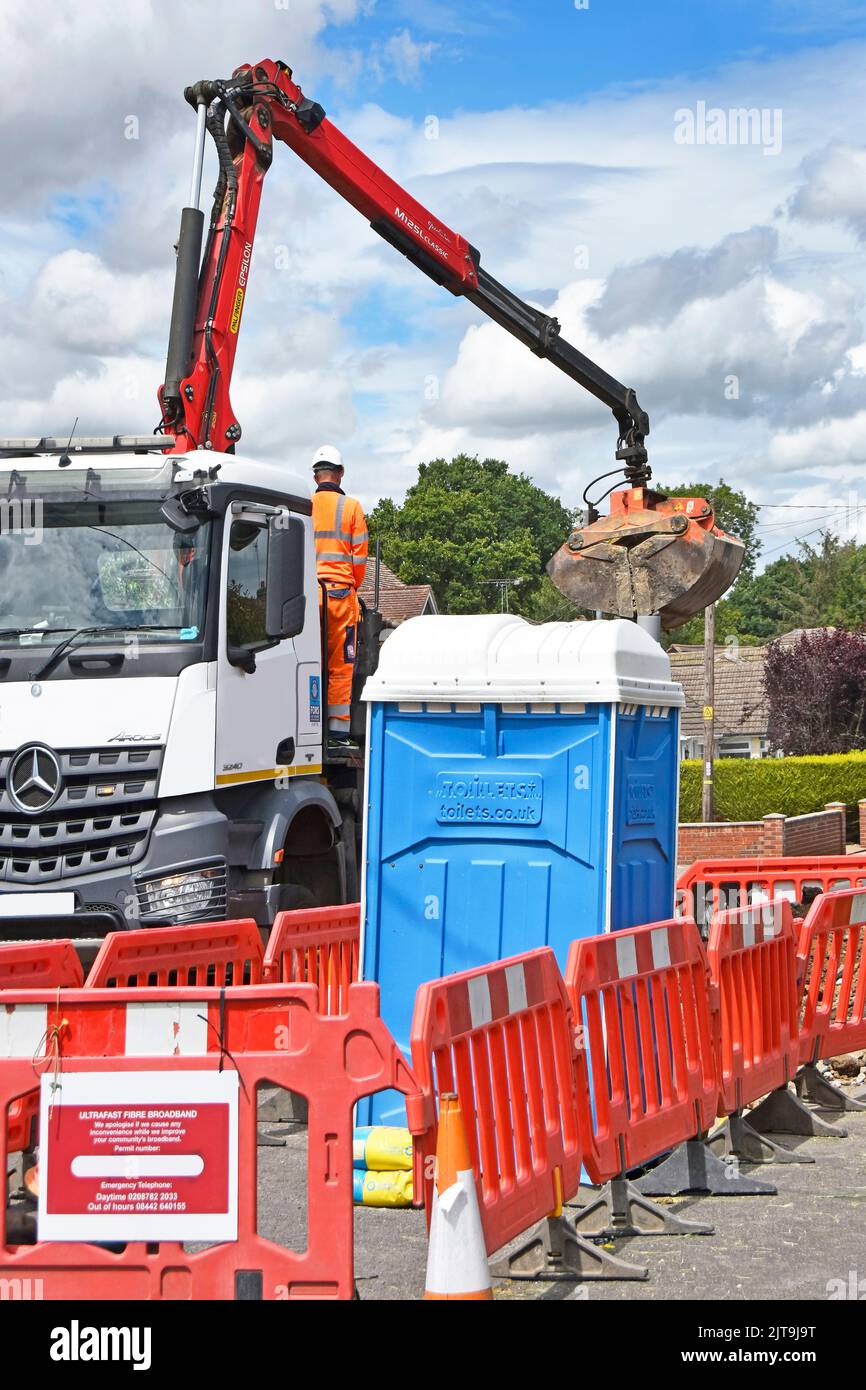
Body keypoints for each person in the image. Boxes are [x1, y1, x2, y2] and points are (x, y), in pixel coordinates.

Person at [311, 445, 368, 749]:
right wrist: (353, 588)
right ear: (340, 473)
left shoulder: (303, 504)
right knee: (341, 664)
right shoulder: (351, 508)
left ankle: (309, 726)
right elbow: (359, 561)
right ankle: (336, 734)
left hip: (309, 595)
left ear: (316, 474)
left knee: (309, 662)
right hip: (341, 594)